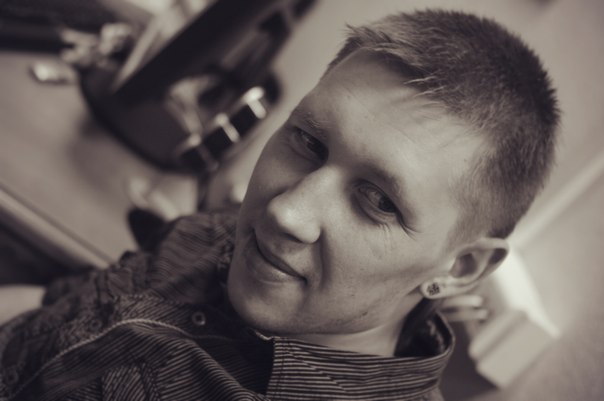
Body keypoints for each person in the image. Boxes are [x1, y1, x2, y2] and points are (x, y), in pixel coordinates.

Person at [0, 9, 558, 401]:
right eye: (309, 143)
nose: (286, 213)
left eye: (378, 202)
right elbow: (53, 306)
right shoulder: (222, 240)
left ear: (459, 268)